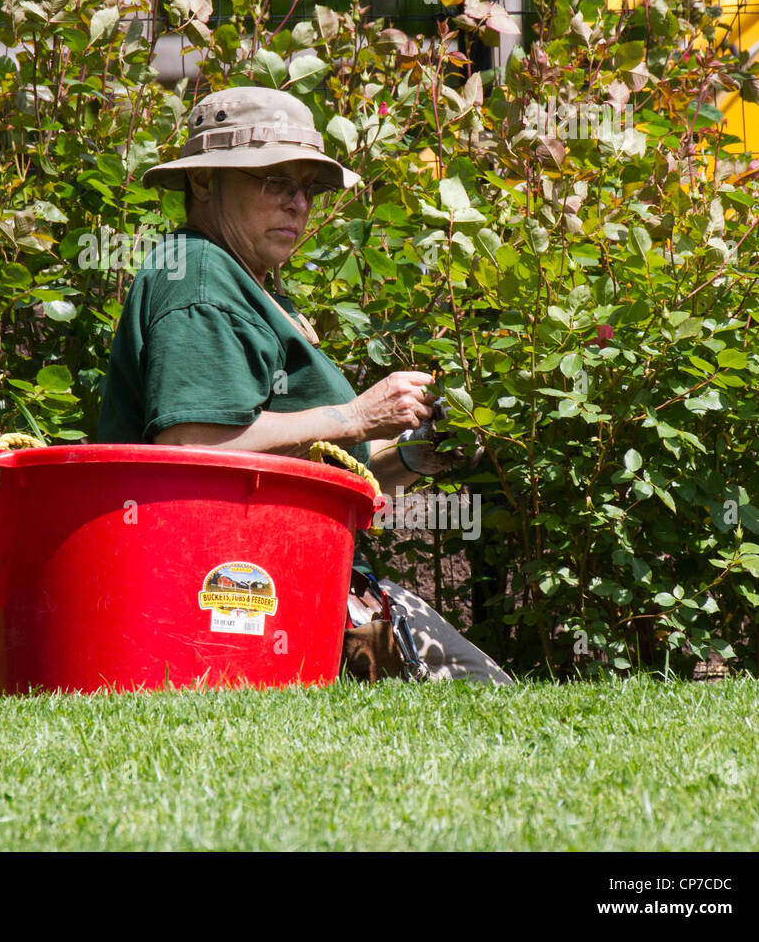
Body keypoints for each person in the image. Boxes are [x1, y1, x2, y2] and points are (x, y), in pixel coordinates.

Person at [97, 85, 511, 684]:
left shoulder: (237, 276)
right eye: (274, 182)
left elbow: (299, 462)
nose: (298, 204)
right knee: (489, 713)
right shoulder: (201, 281)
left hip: (279, 583)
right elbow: (191, 451)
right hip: (235, 598)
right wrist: (355, 417)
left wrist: (412, 458)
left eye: (308, 188)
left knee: (490, 706)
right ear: (206, 183)